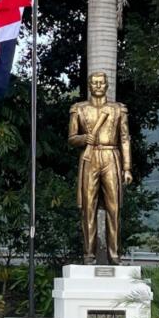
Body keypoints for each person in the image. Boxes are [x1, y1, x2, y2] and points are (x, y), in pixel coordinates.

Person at [68, 71, 133, 265]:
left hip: (111, 156)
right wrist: (82, 138)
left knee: (114, 208)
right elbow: (71, 138)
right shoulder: (79, 109)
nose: (97, 86)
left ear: (106, 85)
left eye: (101, 83)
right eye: (94, 83)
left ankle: (114, 254)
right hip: (89, 157)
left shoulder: (117, 109)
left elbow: (124, 139)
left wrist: (127, 167)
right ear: (89, 85)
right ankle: (89, 253)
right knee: (89, 208)